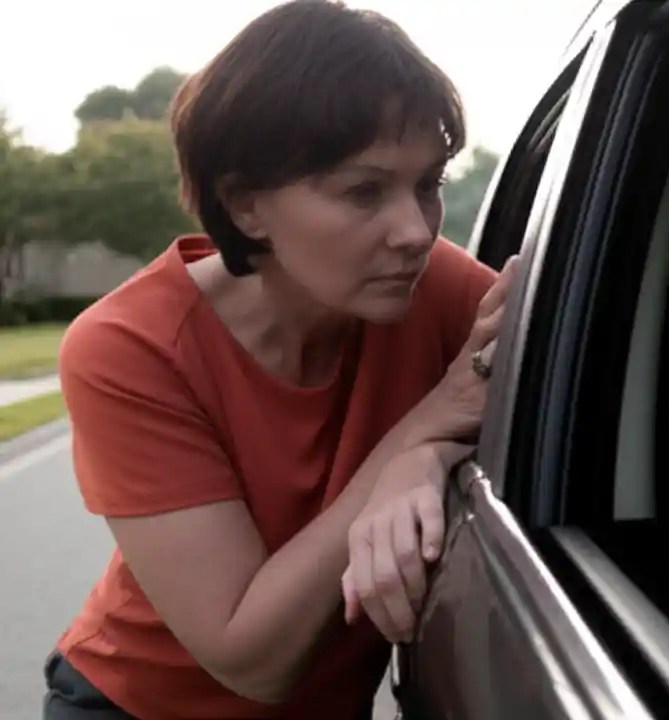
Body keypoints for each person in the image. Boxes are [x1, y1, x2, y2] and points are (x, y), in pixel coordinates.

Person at [42, 2, 516, 717]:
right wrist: (424, 431)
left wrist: (428, 463)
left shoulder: (440, 292)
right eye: (365, 191)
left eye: (430, 184)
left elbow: (568, 372)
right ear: (245, 205)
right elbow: (251, 657)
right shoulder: (127, 348)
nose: (415, 231)